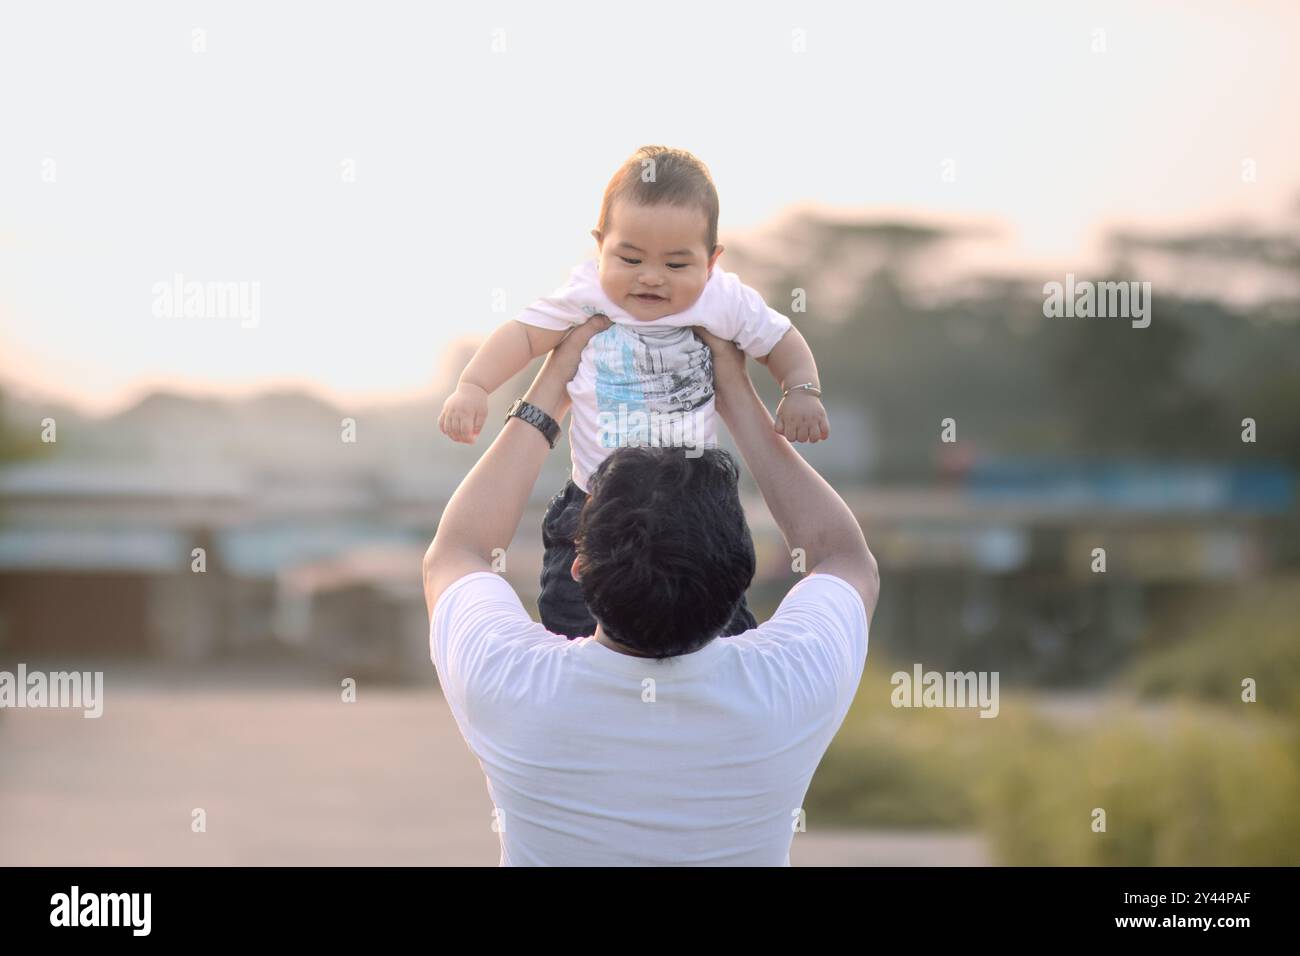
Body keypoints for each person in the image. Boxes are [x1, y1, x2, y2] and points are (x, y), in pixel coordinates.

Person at [423, 317, 879, 866]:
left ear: (578, 563)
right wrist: (735, 394)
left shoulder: (512, 684)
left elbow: (457, 552)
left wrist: (553, 385)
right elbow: (842, 558)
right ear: (743, 575)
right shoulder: (788, 686)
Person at [437, 145, 830, 638]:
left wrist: (801, 389)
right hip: (594, 502)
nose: (650, 276)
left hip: (693, 501)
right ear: (600, 245)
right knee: (573, 620)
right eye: (630, 257)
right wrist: (474, 386)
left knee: (717, 620)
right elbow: (522, 336)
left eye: (676, 264)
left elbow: (781, 340)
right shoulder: (586, 294)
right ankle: (585, 671)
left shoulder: (722, 299)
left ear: (711, 261)